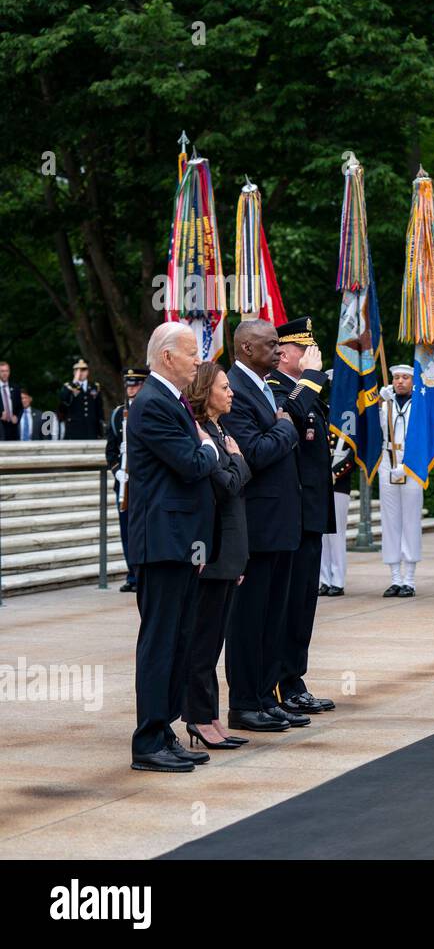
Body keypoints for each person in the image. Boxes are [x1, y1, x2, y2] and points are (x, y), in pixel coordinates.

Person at [126, 322, 221, 772]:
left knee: (179, 639)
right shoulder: (152, 404)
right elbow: (189, 463)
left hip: (183, 542)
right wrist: (210, 450)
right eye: (191, 353)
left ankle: (164, 730)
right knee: (161, 641)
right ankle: (147, 741)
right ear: (167, 357)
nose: (198, 360)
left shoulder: (173, 401)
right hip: (163, 542)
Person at [223, 319, 305, 733]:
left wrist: (279, 425)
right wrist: (286, 428)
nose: (279, 350)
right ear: (245, 348)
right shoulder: (235, 390)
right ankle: (243, 702)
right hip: (257, 523)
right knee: (249, 617)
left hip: (281, 521)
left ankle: (266, 695)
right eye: (271, 344)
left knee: (274, 615)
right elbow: (252, 453)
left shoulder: (265, 385)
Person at [182, 362, 251, 750]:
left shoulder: (220, 430)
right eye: (224, 387)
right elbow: (225, 487)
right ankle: (197, 717)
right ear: (206, 391)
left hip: (230, 551)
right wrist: (239, 460)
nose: (231, 393)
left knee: (214, 642)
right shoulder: (202, 432)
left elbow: (234, 487)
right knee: (203, 643)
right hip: (213, 552)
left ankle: (210, 715)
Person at [269, 317, 335, 714]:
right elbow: (291, 418)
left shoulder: (305, 390)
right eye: (303, 349)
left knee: (304, 603)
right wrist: (311, 377)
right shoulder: (276, 389)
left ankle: (294, 679)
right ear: (284, 353)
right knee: (287, 601)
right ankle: (277, 682)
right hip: (288, 513)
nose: (311, 355)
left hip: (310, 511)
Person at [377, 364, 423, 597]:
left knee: (411, 521)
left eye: (405, 377)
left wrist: (408, 464)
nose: (400, 381)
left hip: (411, 462)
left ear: (412, 381)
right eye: (396, 377)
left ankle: (409, 578)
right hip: (388, 460)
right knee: (390, 521)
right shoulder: (385, 402)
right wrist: (377, 401)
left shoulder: (419, 404)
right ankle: (395, 577)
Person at [105, 366, 148, 592]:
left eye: (136, 384)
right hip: (123, 482)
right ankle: (132, 574)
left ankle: (142, 574)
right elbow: (110, 451)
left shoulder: (148, 410)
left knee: (142, 528)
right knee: (126, 530)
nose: (131, 388)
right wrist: (117, 470)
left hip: (142, 480)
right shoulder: (118, 414)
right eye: (129, 385)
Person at [319, 430, 354, 596]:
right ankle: (324, 580)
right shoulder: (322, 426)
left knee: (336, 535)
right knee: (323, 536)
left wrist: (335, 473)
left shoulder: (348, 429)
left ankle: (338, 580)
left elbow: (352, 457)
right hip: (320, 486)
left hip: (339, 486)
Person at [59, 358, 104, 439]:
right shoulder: (69, 386)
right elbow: (63, 399)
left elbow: (99, 408)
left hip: (91, 429)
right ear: (74, 372)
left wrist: (100, 428)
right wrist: (74, 382)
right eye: (77, 370)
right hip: (74, 429)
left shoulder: (95, 386)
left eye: (83, 369)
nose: (80, 372)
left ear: (88, 372)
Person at [0, 361, 19, 441]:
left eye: (7, 371)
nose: (5, 373)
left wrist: (17, 416)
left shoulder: (15, 388)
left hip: (12, 428)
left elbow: (20, 407)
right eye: (2, 371)